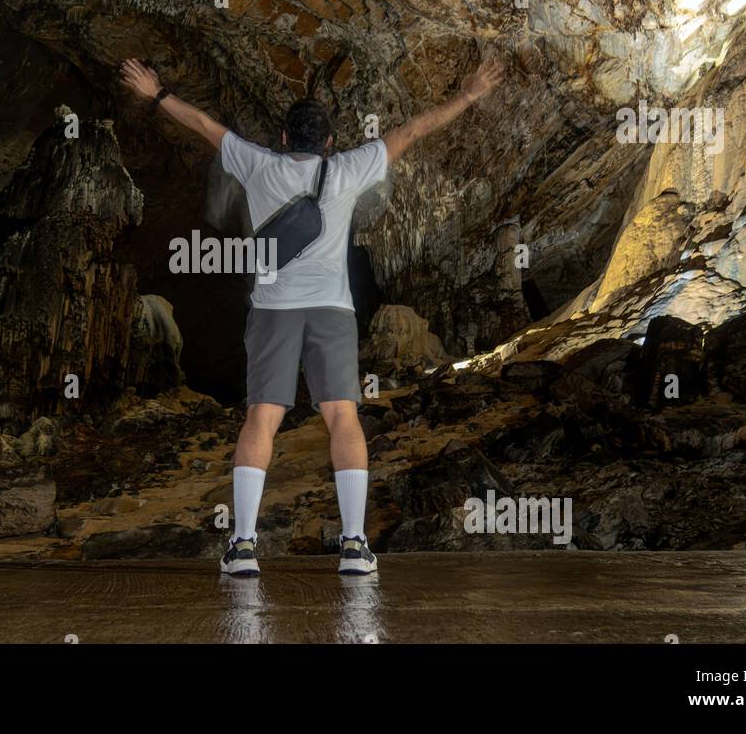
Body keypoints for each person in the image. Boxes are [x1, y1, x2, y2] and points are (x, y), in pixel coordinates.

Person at [120, 57, 505, 576]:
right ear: (328, 142)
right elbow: (412, 130)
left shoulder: (258, 164)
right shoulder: (346, 169)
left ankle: (243, 547)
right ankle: (353, 546)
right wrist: (470, 94)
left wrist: (156, 91)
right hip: (331, 309)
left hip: (274, 307)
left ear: (283, 137)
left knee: (262, 417)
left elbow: (205, 125)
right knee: (342, 416)